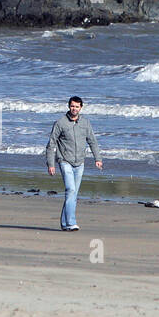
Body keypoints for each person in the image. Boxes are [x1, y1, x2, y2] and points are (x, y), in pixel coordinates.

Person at [45, 96, 102, 231]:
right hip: (65, 161)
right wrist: (50, 164)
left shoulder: (86, 123)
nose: (74, 109)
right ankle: (71, 222)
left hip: (80, 162)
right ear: (68, 106)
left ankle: (64, 223)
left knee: (73, 194)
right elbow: (51, 144)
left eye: (77, 106)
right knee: (70, 190)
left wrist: (97, 159)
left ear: (81, 107)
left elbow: (92, 141)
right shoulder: (60, 123)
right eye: (72, 106)